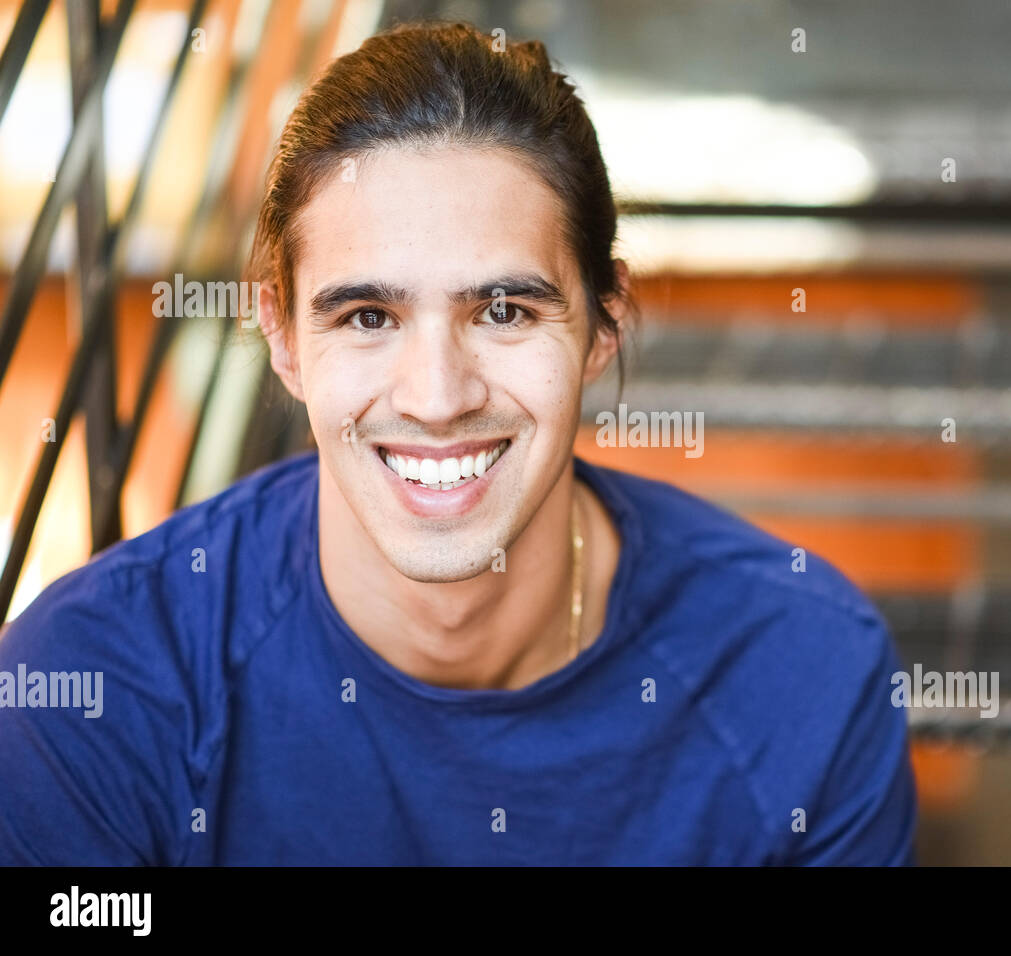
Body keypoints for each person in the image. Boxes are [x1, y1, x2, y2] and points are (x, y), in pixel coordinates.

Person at [0, 21, 916, 865]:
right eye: (368, 316)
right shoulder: (87, 693)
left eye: (504, 309)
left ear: (605, 323)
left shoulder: (802, 673)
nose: (437, 398)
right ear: (282, 339)